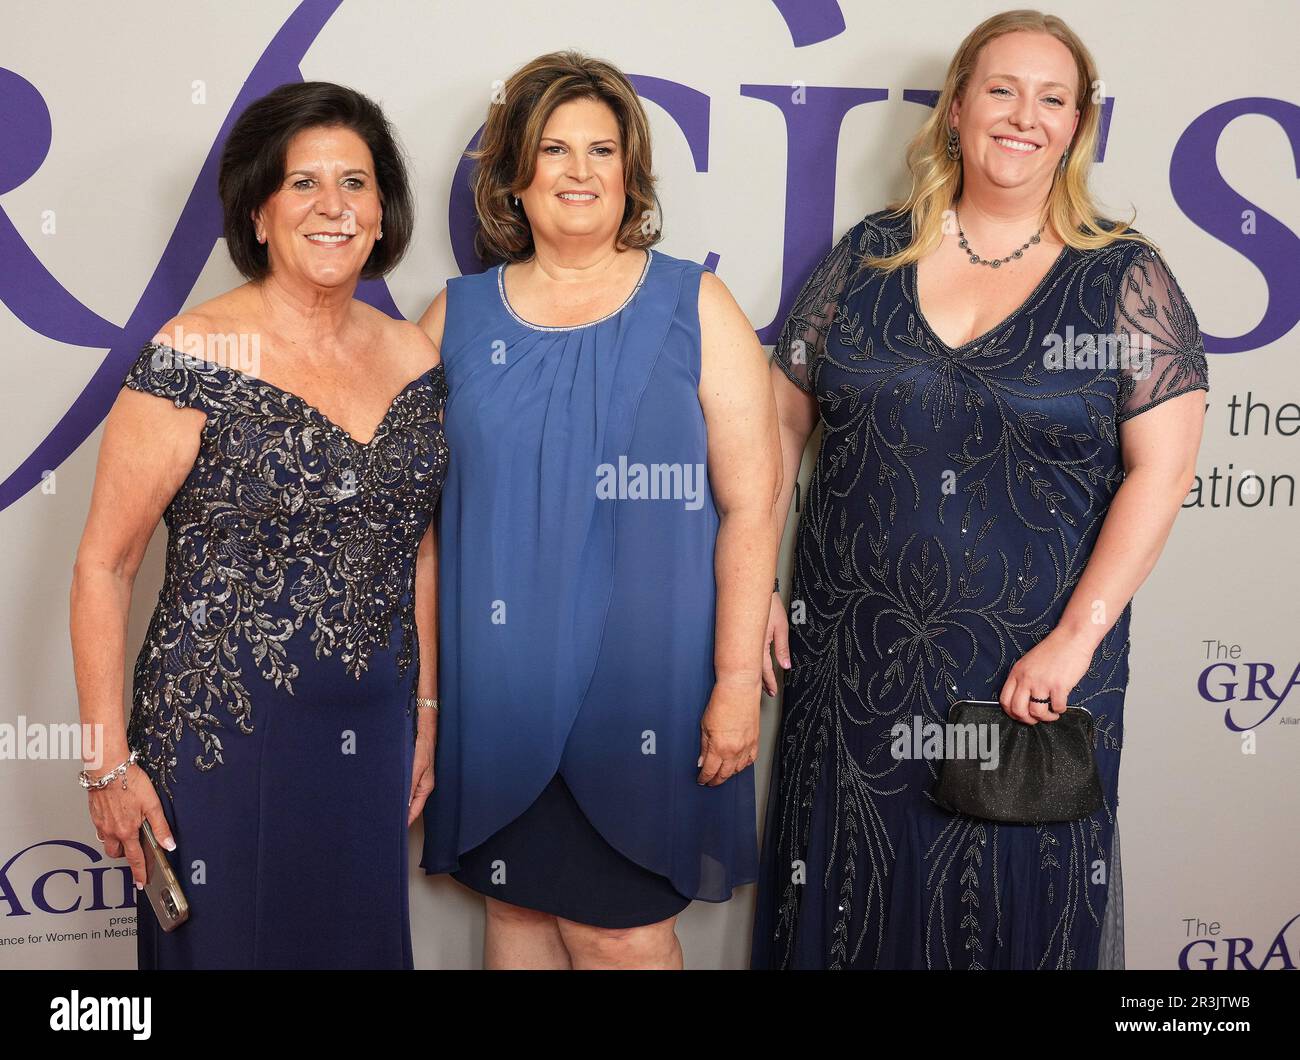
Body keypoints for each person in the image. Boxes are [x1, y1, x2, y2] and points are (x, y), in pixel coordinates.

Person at [750, 10, 1208, 969]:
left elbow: (1161, 472)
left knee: (1003, 923)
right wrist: (755, 582)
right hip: (853, 668)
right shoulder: (867, 255)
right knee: (846, 914)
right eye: (1001, 90)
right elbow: (780, 425)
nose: (1023, 116)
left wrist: (1074, 642)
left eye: (1053, 98)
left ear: (1080, 126)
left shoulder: (1126, 279)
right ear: (955, 107)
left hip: (1025, 678)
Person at [70, 82, 447, 969]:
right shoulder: (195, 351)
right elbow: (104, 564)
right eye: (303, 183)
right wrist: (105, 763)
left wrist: (425, 711)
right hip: (216, 738)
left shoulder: (415, 355)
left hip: (369, 735)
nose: (334, 207)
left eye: (355, 183)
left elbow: (418, 546)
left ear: (383, 209)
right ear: (259, 213)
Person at [418, 51, 781, 970]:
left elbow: (753, 504)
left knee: (619, 930)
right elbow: (409, 526)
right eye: (553, 150)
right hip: (496, 686)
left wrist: (736, 683)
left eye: (602, 151)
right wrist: (423, 701)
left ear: (631, 175)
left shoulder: (695, 303)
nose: (579, 172)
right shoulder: (450, 319)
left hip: (643, 691)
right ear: (513, 177)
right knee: (516, 917)